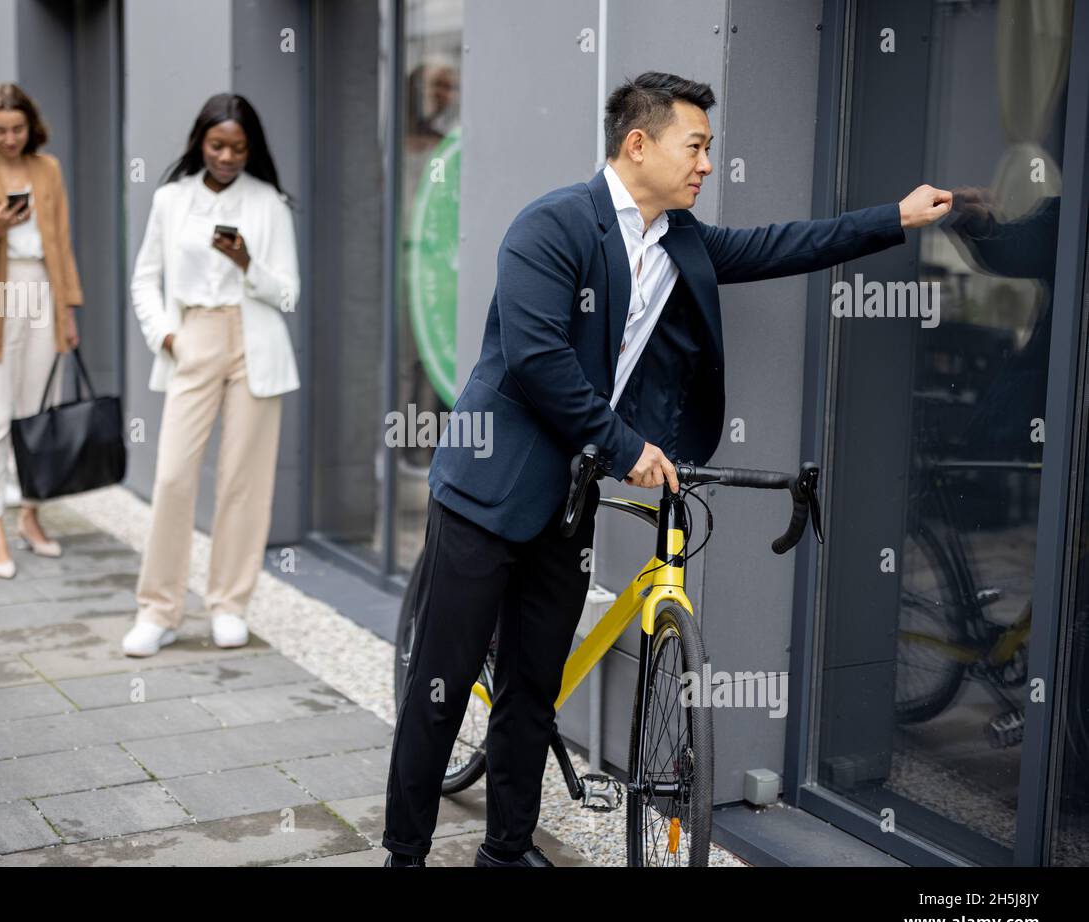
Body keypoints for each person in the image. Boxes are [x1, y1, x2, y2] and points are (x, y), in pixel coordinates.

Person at [381, 71, 954, 867]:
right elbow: (539, 359)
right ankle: (403, 854)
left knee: (532, 693)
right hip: (489, 491)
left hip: (566, 504)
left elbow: (778, 245)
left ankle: (505, 853)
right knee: (438, 691)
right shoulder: (550, 226)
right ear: (638, 143)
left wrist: (893, 217)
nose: (707, 165)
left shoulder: (680, 239)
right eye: (697, 146)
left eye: (711, 150)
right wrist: (627, 447)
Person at [122, 93, 300, 655]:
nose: (227, 156)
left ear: (252, 149)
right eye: (217, 144)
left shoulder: (269, 201)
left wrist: (248, 262)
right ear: (200, 141)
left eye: (238, 148)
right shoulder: (172, 199)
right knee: (174, 475)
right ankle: (159, 609)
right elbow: (143, 280)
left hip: (255, 341)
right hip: (192, 336)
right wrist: (166, 335)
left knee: (242, 481)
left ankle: (229, 603)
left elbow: (289, 294)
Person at [0, 83, 83, 579]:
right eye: (0, 130)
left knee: (37, 416)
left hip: (44, 294)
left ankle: (30, 517)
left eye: (18, 129)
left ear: (32, 128)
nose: (9, 139)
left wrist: (69, 311)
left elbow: (62, 243)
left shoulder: (48, 170)